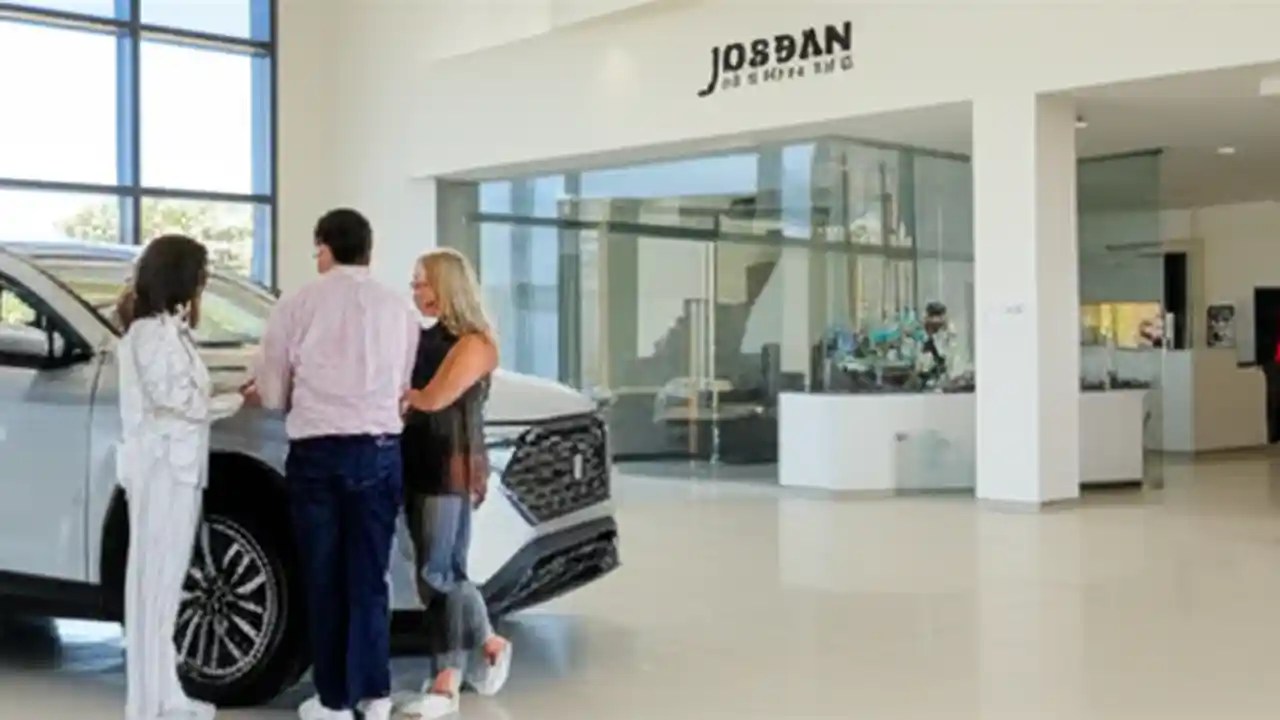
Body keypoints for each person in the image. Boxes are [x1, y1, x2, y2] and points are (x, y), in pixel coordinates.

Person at [244, 209, 420, 720]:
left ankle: (334, 700)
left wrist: (265, 394)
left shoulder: (297, 303)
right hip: (380, 449)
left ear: (324, 247)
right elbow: (402, 382)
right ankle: (376, 693)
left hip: (318, 453)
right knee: (370, 577)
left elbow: (274, 392)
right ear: (370, 249)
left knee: (322, 577)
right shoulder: (397, 308)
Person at [117, 235, 244, 720]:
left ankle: (166, 694)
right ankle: (147, 703)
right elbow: (178, 400)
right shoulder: (150, 334)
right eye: (201, 271)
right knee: (153, 586)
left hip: (179, 470)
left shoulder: (170, 332)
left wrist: (227, 396)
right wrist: (234, 401)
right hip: (161, 472)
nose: (205, 281)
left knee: (168, 587)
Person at [398, 249, 512, 720]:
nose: (415, 292)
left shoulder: (476, 343)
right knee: (440, 570)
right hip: (417, 462)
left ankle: (446, 682)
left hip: (448, 466)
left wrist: (401, 396)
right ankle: (487, 640)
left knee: (438, 574)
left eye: (422, 283)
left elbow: (432, 398)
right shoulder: (424, 338)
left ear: (446, 286)